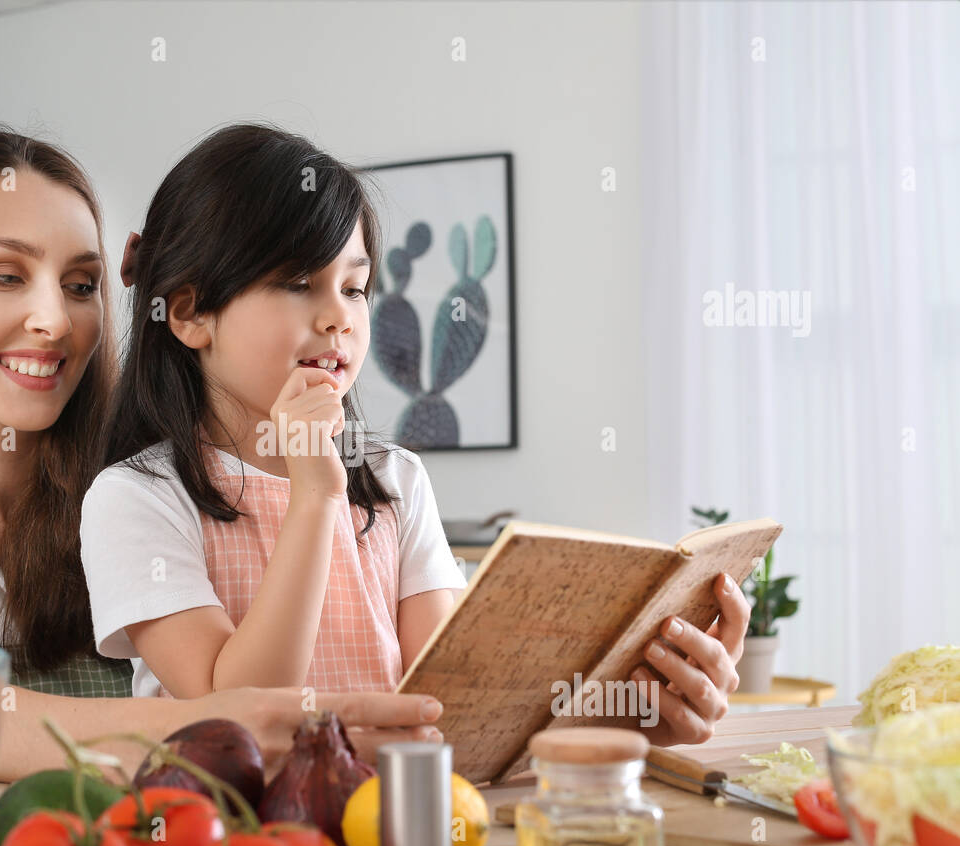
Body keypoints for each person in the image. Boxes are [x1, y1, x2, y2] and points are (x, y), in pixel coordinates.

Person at [0, 126, 445, 782]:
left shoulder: (162, 476)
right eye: (5, 275)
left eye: (80, 284)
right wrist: (217, 726)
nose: (56, 321)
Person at [85, 122, 749, 747]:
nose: (339, 318)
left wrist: (632, 713)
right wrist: (315, 496)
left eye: (355, 287)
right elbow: (240, 711)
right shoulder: (135, 499)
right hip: (234, 841)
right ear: (190, 314)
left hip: (388, 825)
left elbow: (453, 702)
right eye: (297, 283)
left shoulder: (395, 479)